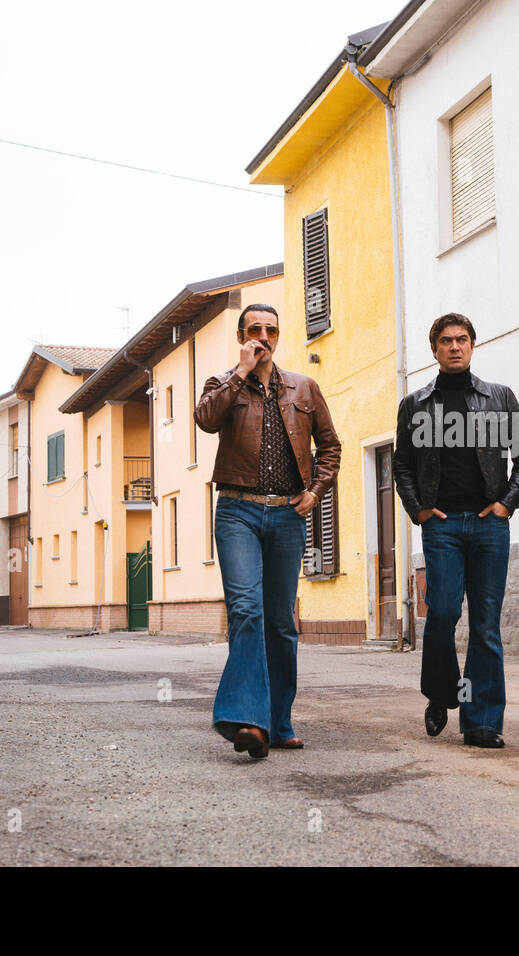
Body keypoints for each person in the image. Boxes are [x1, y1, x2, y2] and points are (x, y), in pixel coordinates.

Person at [194, 303, 340, 759]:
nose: (263, 336)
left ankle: (278, 722)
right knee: (247, 611)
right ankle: (249, 721)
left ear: (280, 335)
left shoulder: (304, 386)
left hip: (286, 516)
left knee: (280, 622)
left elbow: (331, 447)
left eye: (270, 330)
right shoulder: (222, 384)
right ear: (241, 336)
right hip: (237, 510)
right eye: (254, 329)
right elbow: (206, 419)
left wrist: (314, 492)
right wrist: (241, 371)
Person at [393, 313, 519, 749]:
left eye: (462, 340)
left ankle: (481, 722)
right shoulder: (416, 404)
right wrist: (417, 509)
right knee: (442, 613)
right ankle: (441, 690)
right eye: (445, 341)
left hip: (489, 525)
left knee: (486, 625)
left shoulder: (499, 398)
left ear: (472, 346)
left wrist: (506, 504)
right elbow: (400, 463)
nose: (454, 347)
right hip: (442, 526)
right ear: (433, 350)